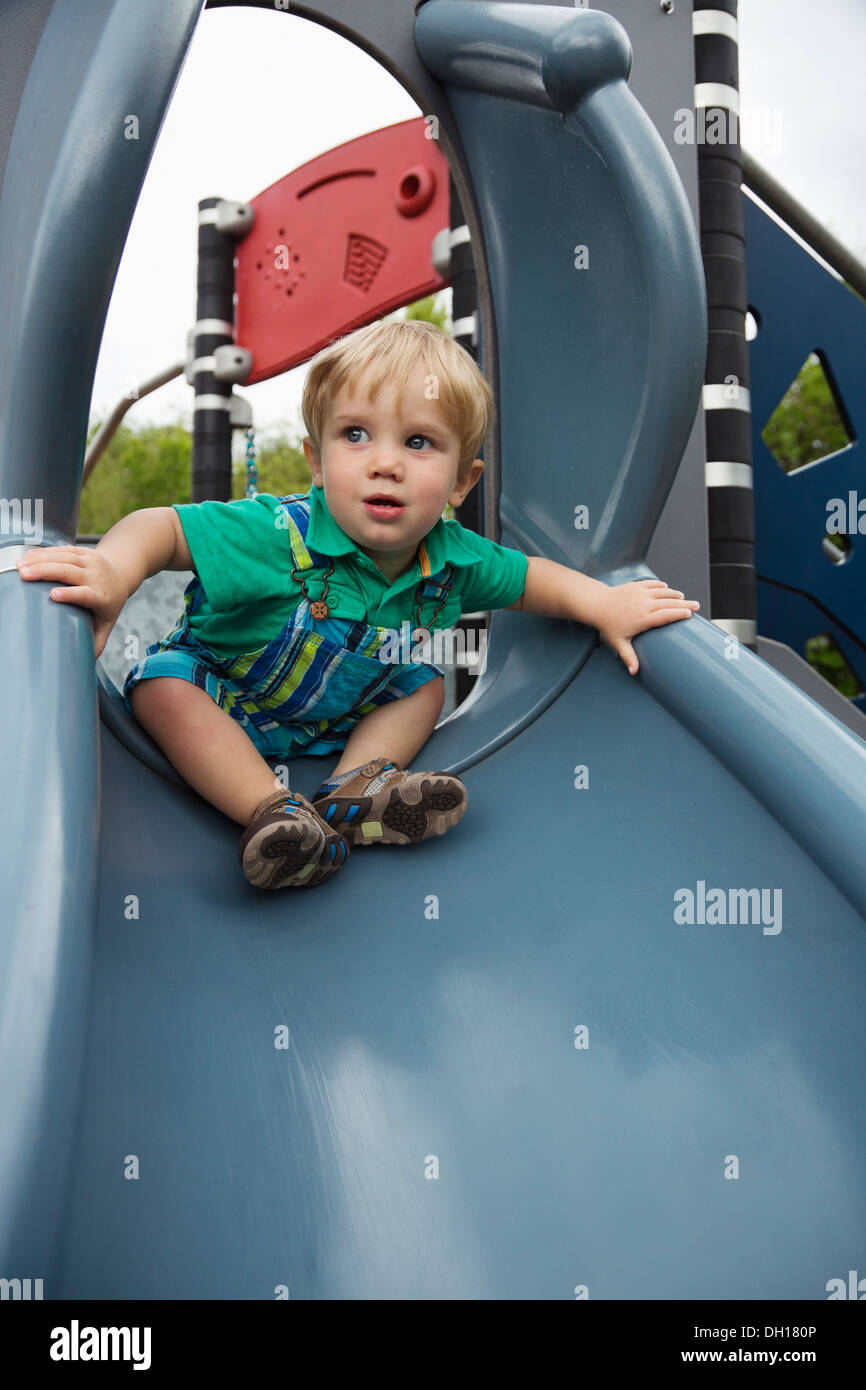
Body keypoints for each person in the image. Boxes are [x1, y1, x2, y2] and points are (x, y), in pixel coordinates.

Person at [15, 318, 700, 891]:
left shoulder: (454, 559)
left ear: (463, 482)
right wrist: (111, 569)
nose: (385, 463)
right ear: (315, 460)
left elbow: (530, 580)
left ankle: (354, 790)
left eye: (420, 442)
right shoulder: (274, 535)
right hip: (227, 700)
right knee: (160, 685)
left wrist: (604, 604)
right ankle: (276, 816)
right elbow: (163, 529)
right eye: (356, 435)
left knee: (421, 686)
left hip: (334, 725)